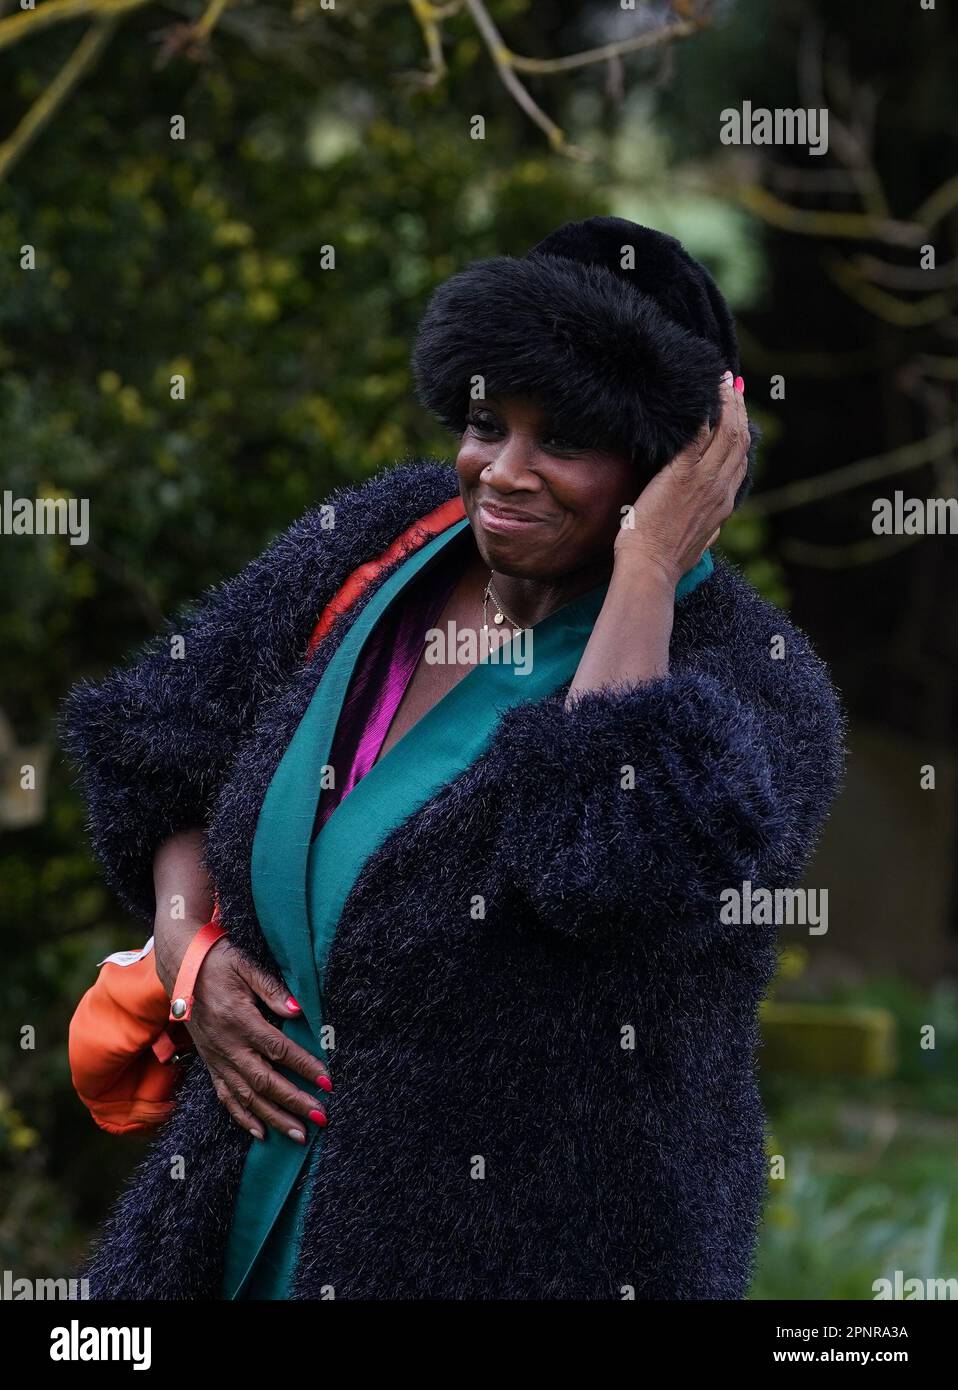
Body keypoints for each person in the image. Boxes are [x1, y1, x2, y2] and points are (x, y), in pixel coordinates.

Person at [61, 217, 844, 1299]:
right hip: (225, 1229)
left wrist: (648, 566)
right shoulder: (383, 539)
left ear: (668, 464)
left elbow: (602, 862)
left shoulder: (754, 683)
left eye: (562, 440)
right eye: (486, 423)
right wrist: (190, 955)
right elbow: (157, 744)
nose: (502, 473)